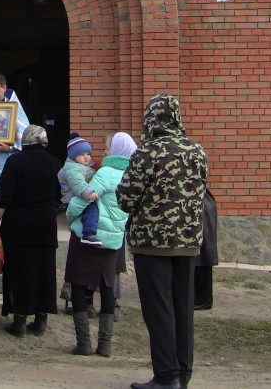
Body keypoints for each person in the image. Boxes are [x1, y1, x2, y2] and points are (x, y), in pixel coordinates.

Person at [117, 95, 207, 389]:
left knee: (159, 309)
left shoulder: (147, 153)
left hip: (152, 243)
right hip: (188, 242)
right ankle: (183, 373)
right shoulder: (197, 152)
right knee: (183, 307)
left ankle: (166, 376)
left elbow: (125, 200)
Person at [65, 131, 131, 358]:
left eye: (109, 147)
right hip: (113, 239)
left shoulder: (106, 173)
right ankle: (105, 344)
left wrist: (70, 214)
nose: (104, 151)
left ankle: (83, 342)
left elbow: (85, 199)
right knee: (108, 286)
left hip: (88, 237)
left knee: (77, 282)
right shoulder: (130, 174)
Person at [0, 124, 61, 337]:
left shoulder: (15, 161)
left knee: (19, 270)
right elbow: (59, 196)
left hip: (18, 225)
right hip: (46, 225)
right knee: (44, 270)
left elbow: (4, 196)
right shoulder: (55, 163)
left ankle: (19, 320)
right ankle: (41, 319)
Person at [60, 133, 103, 246]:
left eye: (88, 154)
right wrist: (88, 193)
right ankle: (88, 234)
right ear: (73, 156)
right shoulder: (72, 169)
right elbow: (77, 183)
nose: (86, 157)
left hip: (79, 196)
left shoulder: (81, 166)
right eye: (82, 154)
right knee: (91, 209)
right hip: (75, 198)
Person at [194, 189, 218, 311]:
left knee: (201, 257)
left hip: (201, 209)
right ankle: (200, 298)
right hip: (202, 207)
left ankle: (202, 299)